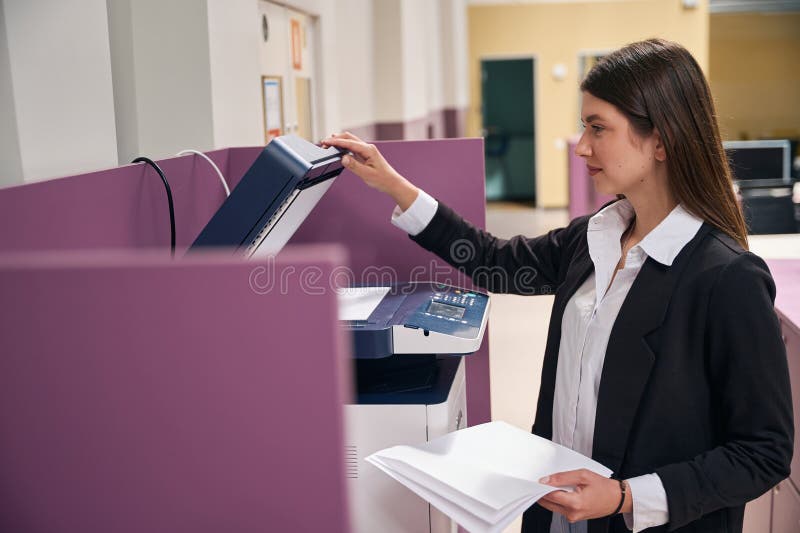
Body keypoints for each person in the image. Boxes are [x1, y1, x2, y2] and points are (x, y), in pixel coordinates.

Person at [322, 38, 793, 533]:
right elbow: (493, 261)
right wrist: (395, 186)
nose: (582, 146)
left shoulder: (726, 278)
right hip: (559, 514)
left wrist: (625, 497)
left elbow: (763, 451)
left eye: (598, 128)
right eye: (583, 127)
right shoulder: (597, 235)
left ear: (661, 140)